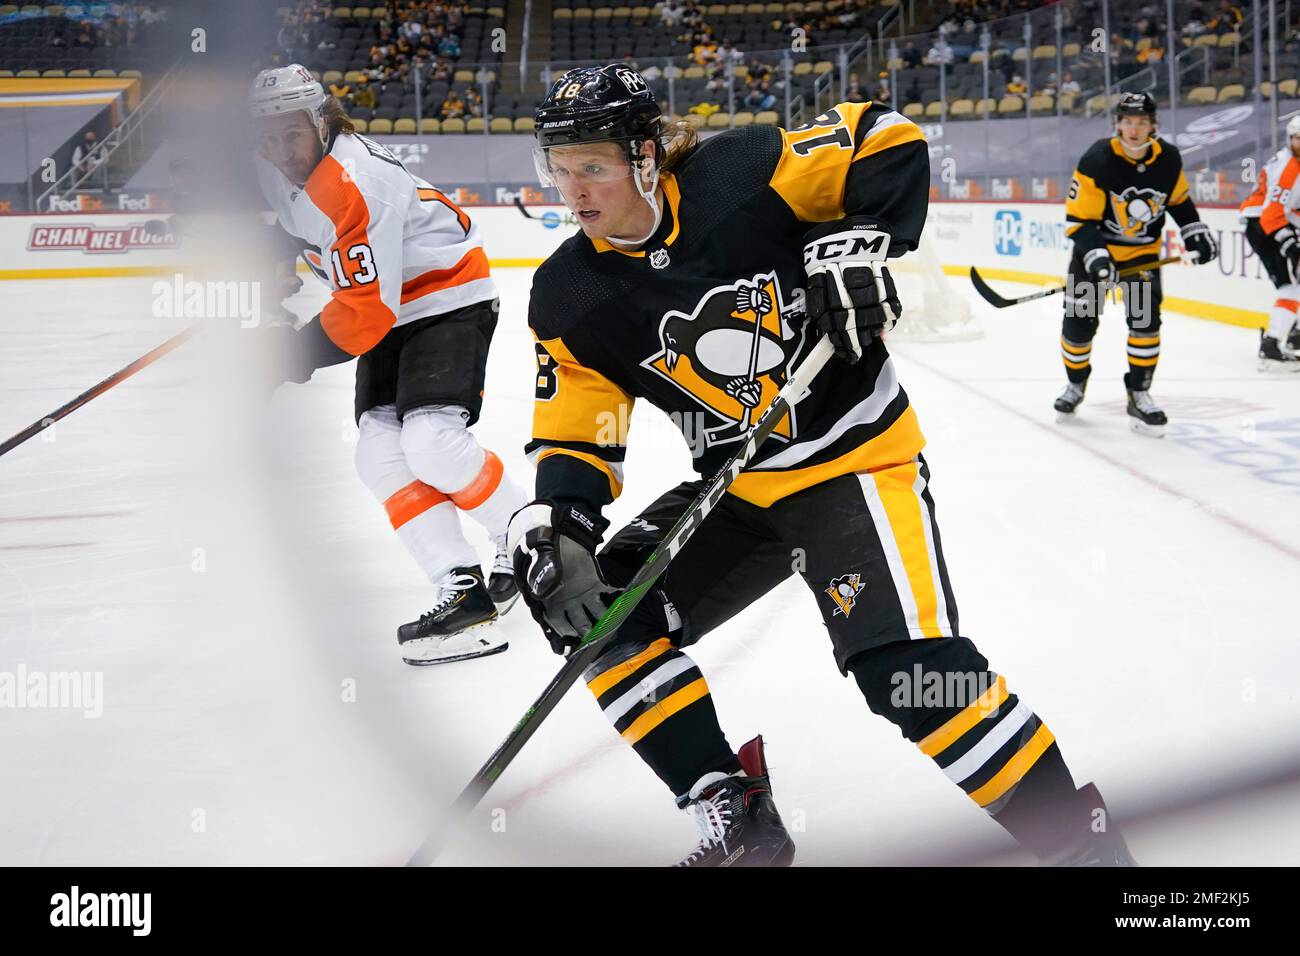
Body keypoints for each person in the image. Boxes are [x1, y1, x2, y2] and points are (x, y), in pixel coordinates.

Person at [509, 63, 1136, 867]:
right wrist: (561, 519)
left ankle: (1081, 848)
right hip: (737, 487)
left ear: (643, 156)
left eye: (591, 166)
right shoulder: (568, 294)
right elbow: (576, 434)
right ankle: (733, 811)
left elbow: (886, 135)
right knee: (599, 616)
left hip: (854, 463)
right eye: (559, 170)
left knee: (910, 677)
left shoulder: (743, 172)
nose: (575, 191)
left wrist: (859, 235)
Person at [248, 64, 525, 664]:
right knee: (378, 453)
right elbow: (295, 229)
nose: (278, 150)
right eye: (266, 137)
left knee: (431, 441)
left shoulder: (356, 183)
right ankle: (462, 589)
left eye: (290, 135)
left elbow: (362, 316)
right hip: (390, 306)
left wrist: (286, 356)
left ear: (322, 122)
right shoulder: (278, 168)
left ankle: (531, 537)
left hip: (446, 296)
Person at [1054, 91, 1218, 435]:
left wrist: (1195, 233)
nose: (1134, 129)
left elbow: (1180, 202)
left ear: (1153, 126)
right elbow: (1079, 221)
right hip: (1092, 256)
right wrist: (1099, 259)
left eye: (1142, 122)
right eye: (1128, 122)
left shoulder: (1168, 158)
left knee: (1145, 327)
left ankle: (1139, 393)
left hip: (1142, 258)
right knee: (1078, 328)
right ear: (1118, 124)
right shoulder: (1098, 158)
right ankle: (1076, 384)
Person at [1239, 116, 1300, 369]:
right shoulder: (1289, 167)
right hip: (1264, 226)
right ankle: (1272, 344)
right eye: (1297, 138)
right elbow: (1272, 213)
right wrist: (1289, 244)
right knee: (1291, 288)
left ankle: (1292, 336)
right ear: (1290, 139)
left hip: (1268, 223)